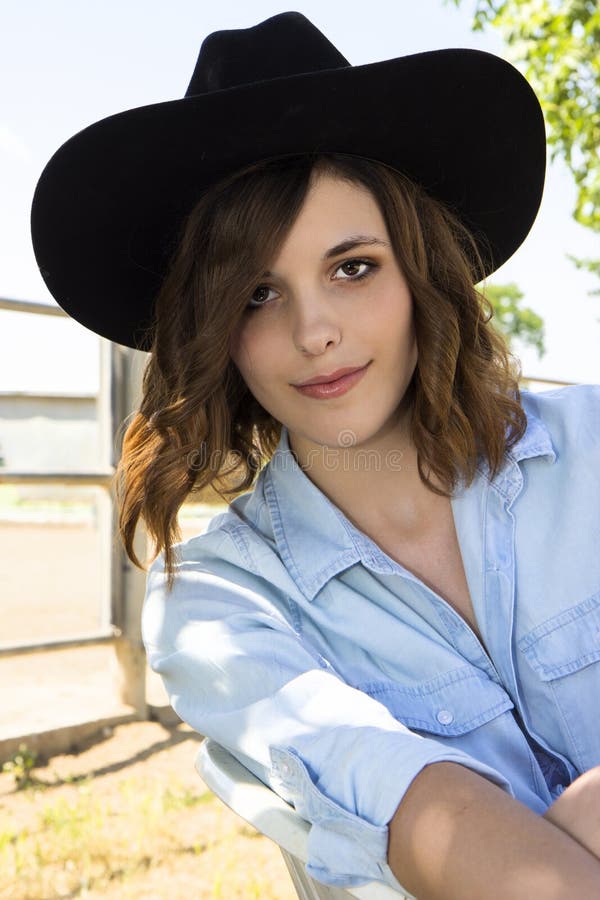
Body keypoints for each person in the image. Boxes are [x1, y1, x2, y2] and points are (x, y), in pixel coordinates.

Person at [31, 11, 600, 899]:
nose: (314, 332)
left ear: (420, 270)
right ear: (216, 332)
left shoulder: (594, 447)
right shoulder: (223, 604)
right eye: (257, 293)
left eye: (353, 267)